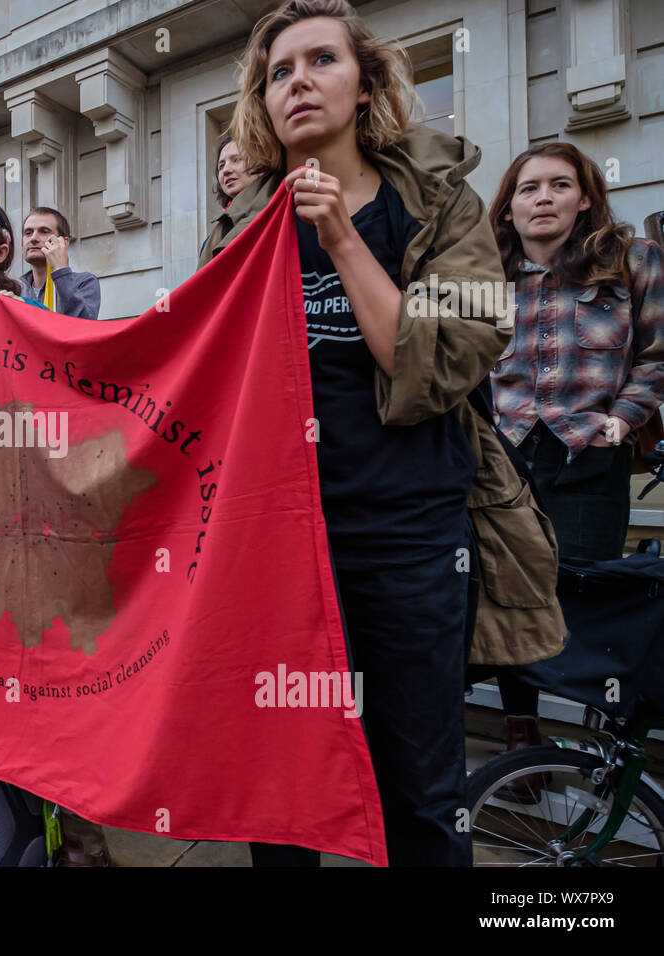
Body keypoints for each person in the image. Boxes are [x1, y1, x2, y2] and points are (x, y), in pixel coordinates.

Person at [198, 0, 526, 867]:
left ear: (367, 81)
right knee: (279, 784)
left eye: (321, 61)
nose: (298, 81)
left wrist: (340, 235)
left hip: (410, 539)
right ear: (262, 105)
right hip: (275, 544)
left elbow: (445, 364)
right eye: (278, 72)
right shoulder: (239, 223)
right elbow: (202, 376)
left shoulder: (443, 203)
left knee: (419, 788)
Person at [486, 142, 664, 753]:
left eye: (559, 185)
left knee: (584, 595)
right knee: (511, 596)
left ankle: (607, 741)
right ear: (508, 207)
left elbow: (655, 356)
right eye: (528, 188)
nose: (543, 198)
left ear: (584, 197)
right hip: (506, 459)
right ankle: (521, 731)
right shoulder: (485, 277)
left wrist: (622, 422)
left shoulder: (634, 261)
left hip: (589, 454)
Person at [18, 207, 101, 319]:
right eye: (28, 233)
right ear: (22, 244)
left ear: (64, 242)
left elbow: (82, 326)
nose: (33, 238)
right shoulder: (15, 290)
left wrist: (61, 271)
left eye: (44, 231)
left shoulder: (84, 283)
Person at [201, 136, 260, 259]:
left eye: (236, 159)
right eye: (221, 166)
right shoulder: (210, 242)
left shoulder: (283, 209)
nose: (226, 170)